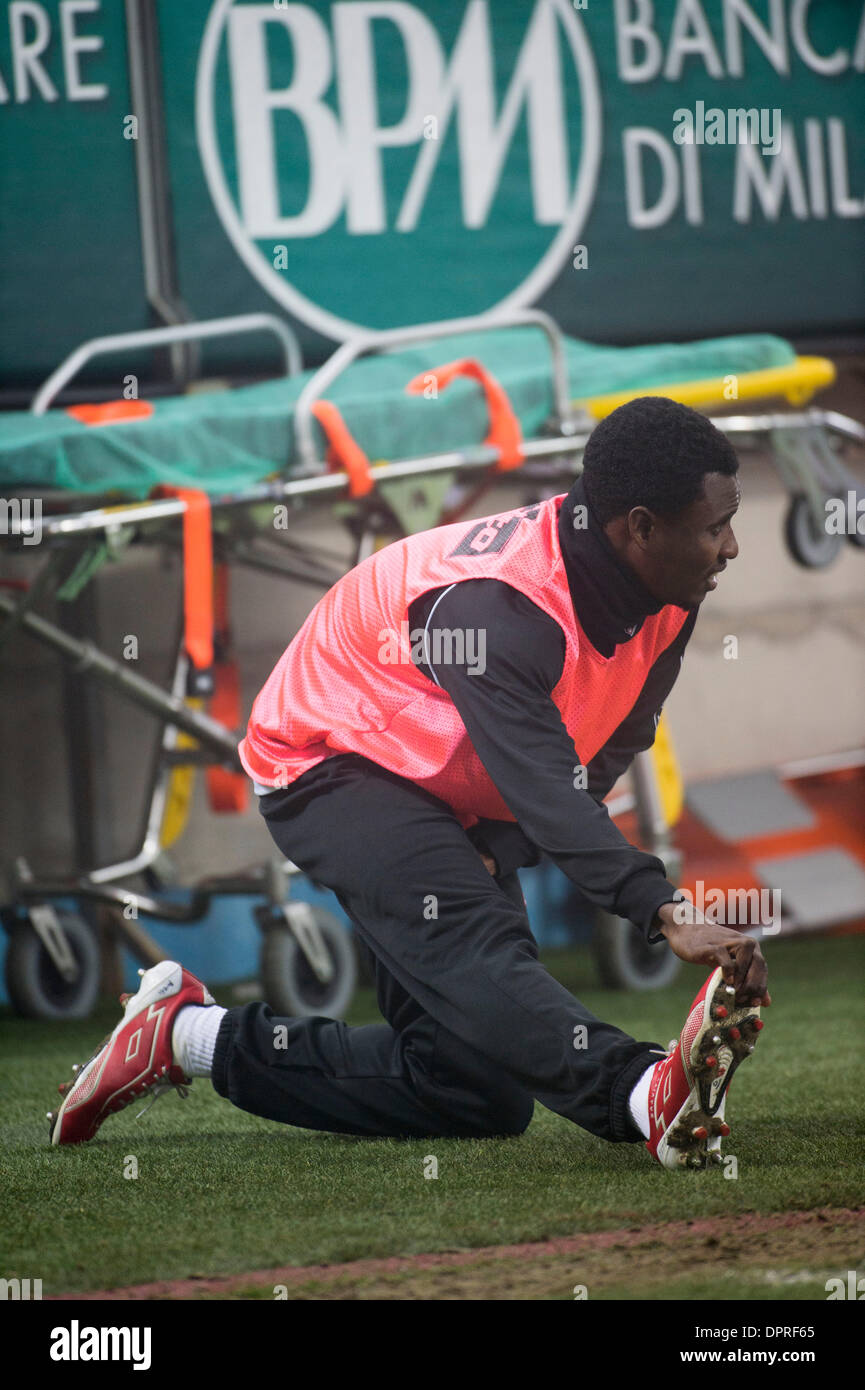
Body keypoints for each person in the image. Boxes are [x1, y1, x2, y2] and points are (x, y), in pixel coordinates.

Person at [49, 396, 769, 1170]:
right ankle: (643, 1093)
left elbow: (610, 738)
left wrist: (499, 840)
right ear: (638, 526)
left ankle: (182, 1034)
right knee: (475, 945)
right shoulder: (498, 612)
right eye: (713, 526)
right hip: (329, 761)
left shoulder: (667, 589)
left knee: (471, 1093)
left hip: (438, 781)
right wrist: (661, 909)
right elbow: (548, 786)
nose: (730, 547)